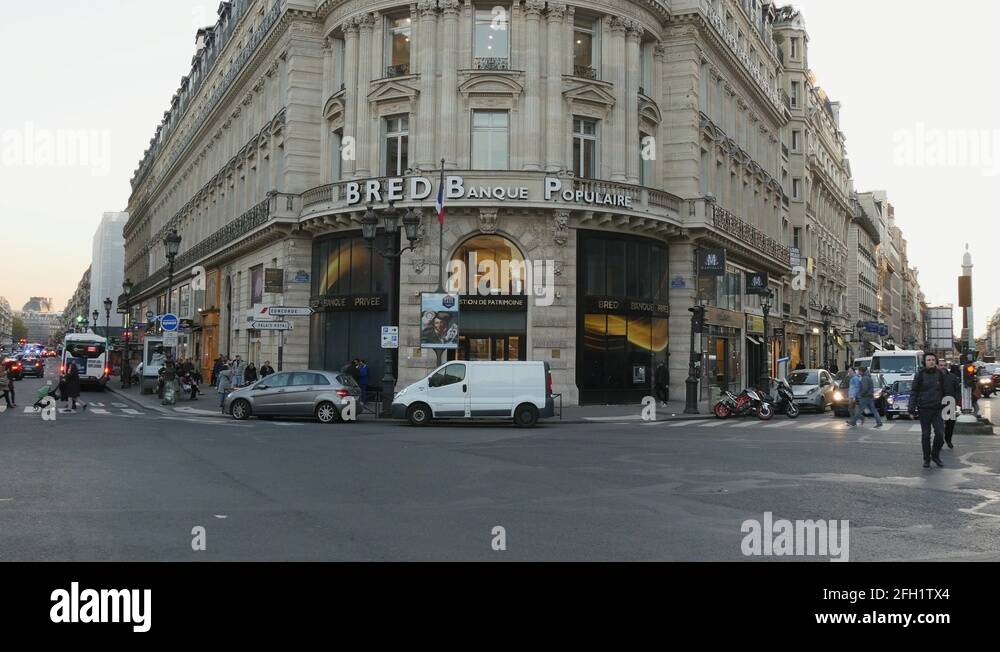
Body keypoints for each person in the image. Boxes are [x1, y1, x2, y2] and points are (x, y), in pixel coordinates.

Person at [910, 353, 946, 468]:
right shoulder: (920, 375)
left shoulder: (940, 374)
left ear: (935, 362)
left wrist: (949, 406)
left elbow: (945, 391)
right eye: (928, 360)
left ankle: (935, 455)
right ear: (924, 362)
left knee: (940, 434)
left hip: (937, 409)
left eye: (932, 360)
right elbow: (914, 392)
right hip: (924, 409)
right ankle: (927, 459)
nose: (931, 361)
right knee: (926, 435)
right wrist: (911, 409)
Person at [942, 362, 962, 449]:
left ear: (947, 366)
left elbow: (957, 390)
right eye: (941, 365)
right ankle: (940, 440)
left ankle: (948, 439)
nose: (943, 367)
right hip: (937, 404)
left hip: (950, 403)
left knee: (950, 424)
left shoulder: (953, 377)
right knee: (938, 425)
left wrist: (956, 399)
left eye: (944, 365)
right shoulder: (934, 377)